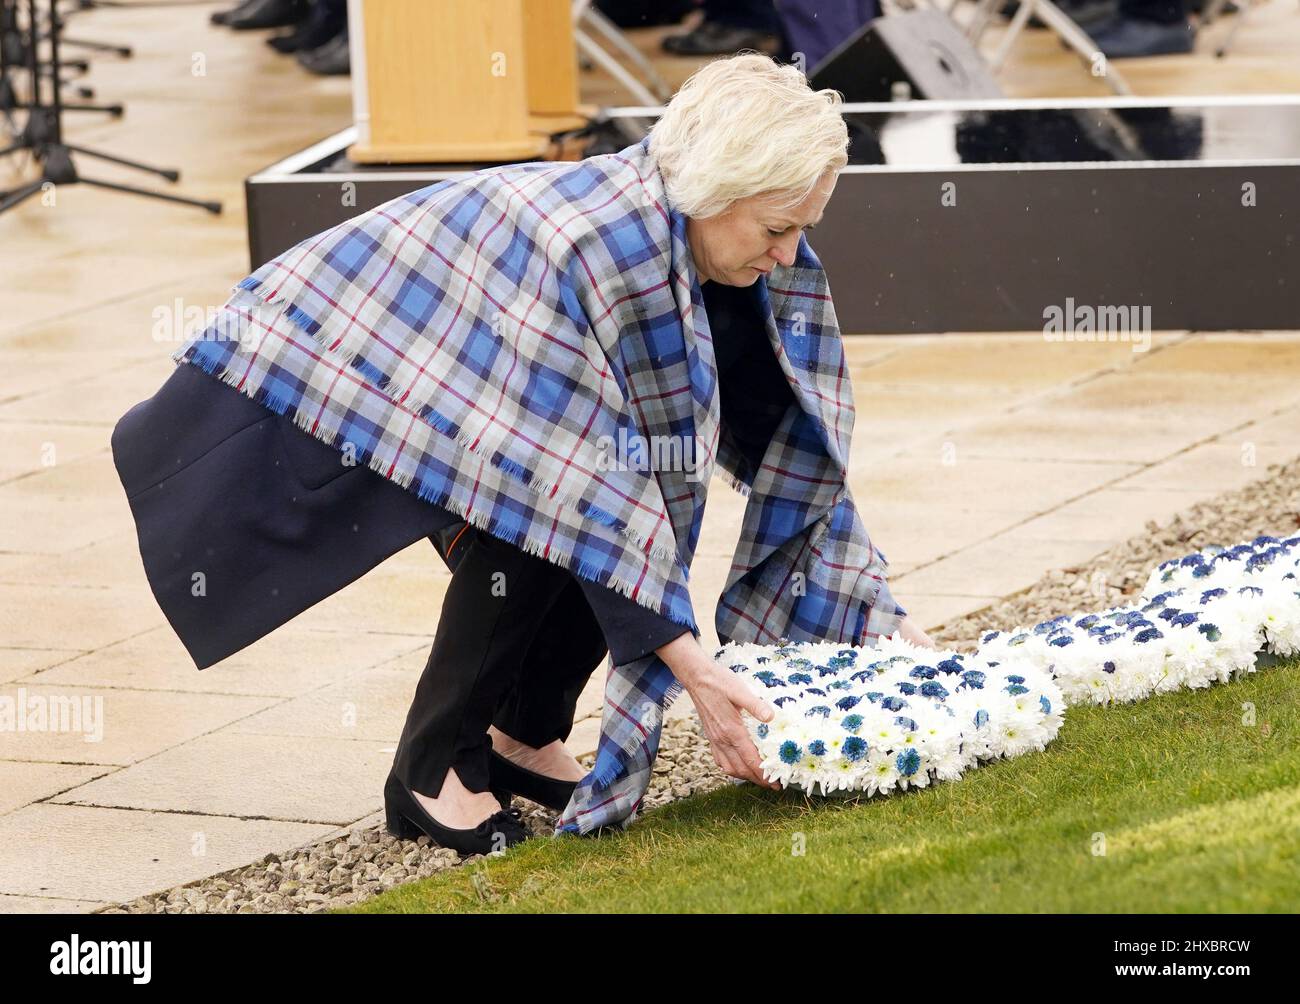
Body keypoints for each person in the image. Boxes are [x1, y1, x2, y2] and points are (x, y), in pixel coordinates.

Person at [111, 53, 933, 857]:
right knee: (533, 520)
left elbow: (787, 430)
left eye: (803, 229)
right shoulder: (604, 246)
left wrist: (875, 613)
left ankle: (521, 732)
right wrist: (696, 672)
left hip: (466, 390)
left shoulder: (709, 232)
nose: (789, 255)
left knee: (618, 498)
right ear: (716, 189)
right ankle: (432, 772)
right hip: (339, 365)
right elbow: (571, 484)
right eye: (779, 229)